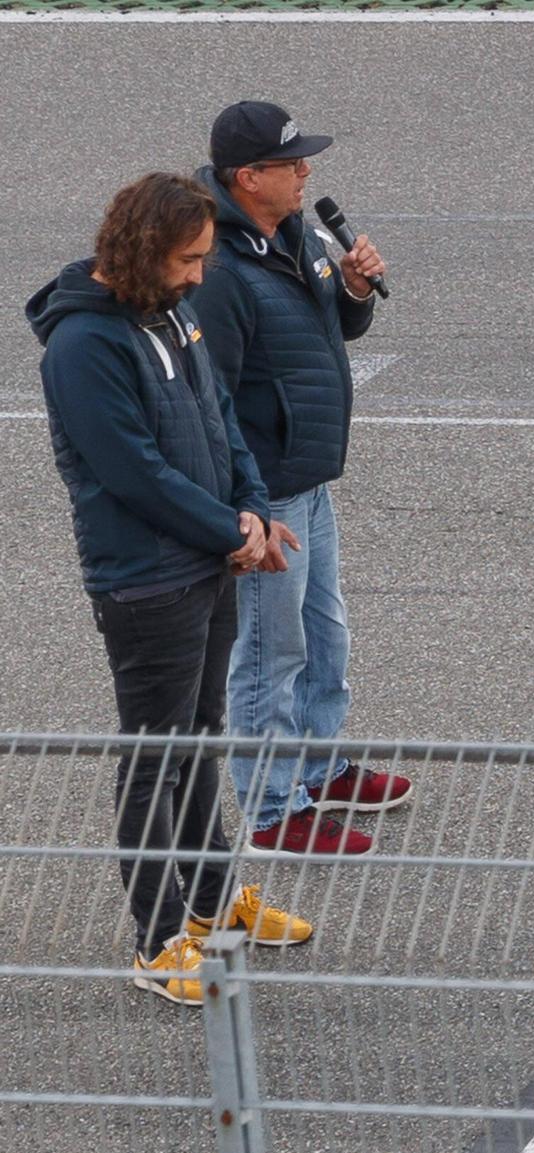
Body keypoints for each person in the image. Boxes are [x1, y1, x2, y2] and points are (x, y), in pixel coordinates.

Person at [27, 172, 315, 1007]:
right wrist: (233, 532)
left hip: (207, 559)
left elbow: (223, 418)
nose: (199, 274)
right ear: (143, 249)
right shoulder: (83, 346)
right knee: (154, 756)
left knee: (199, 738)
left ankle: (217, 903)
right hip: (146, 580)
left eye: (205, 258)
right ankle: (157, 939)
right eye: (188, 259)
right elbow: (134, 473)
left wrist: (253, 508)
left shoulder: (174, 312)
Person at [191, 101, 410, 857]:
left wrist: (351, 291)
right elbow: (208, 396)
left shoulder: (296, 231)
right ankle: (271, 809)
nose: (306, 172)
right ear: (249, 177)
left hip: (307, 475)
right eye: (291, 164)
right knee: (268, 652)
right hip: (266, 487)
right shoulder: (216, 265)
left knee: (323, 636)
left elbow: (328, 329)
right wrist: (241, 509)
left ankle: (319, 764)